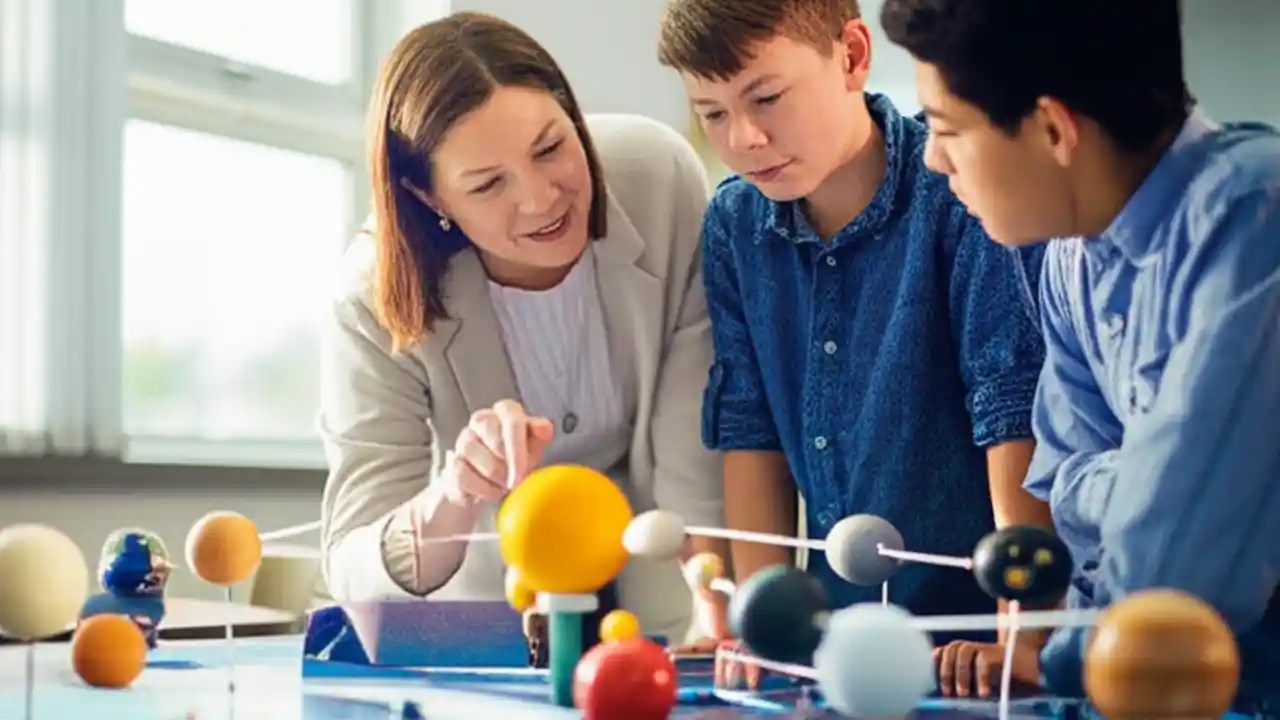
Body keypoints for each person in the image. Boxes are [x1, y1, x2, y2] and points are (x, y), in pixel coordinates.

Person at [881, 0, 1280, 709]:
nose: (934, 160)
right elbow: (1065, 504)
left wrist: (1112, 491)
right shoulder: (1070, 253)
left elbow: (1172, 588)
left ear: (1054, 128)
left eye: (944, 129)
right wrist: (1138, 480)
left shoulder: (1255, 219)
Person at [317, 11, 730, 646]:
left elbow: (692, 441)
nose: (542, 199)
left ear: (573, 115)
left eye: (551, 148)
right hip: (492, 619)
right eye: (487, 185)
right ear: (430, 200)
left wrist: (712, 616)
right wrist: (453, 494)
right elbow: (352, 561)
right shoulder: (373, 294)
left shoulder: (658, 179)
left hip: (659, 593)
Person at [656, 0, 1050, 659]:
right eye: (713, 113)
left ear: (852, 57)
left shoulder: (959, 186)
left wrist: (1023, 638)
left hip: (969, 637)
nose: (742, 138)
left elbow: (1012, 413)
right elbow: (751, 432)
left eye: (768, 98)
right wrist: (763, 630)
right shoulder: (735, 223)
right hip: (830, 641)